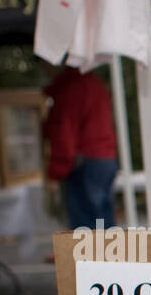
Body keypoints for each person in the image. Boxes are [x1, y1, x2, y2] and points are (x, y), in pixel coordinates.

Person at [42, 66, 118, 229]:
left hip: (86, 162)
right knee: (103, 219)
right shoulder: (94, 83)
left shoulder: (72, 88)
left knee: (87, 224)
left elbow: (65, 133)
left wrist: (55, 173)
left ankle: (96, 254)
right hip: (105, 158)